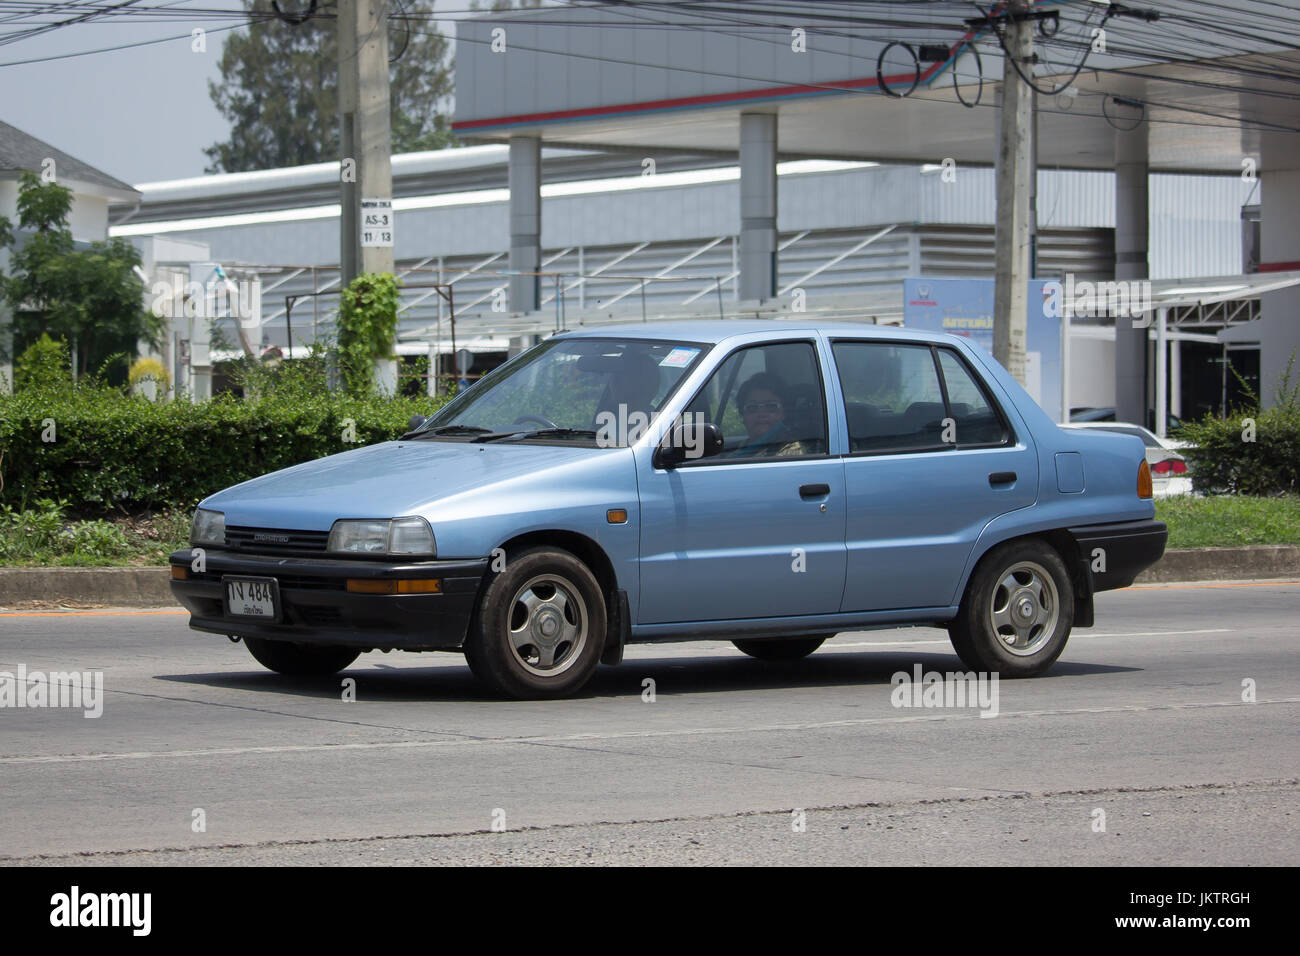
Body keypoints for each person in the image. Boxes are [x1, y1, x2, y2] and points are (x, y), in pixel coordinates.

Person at [728, 372, 811, 457]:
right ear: (742, 415)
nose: (761, 414)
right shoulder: (738, 449)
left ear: (785, 412)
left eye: (771, 406)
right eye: (752, 408)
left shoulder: (792, 451)